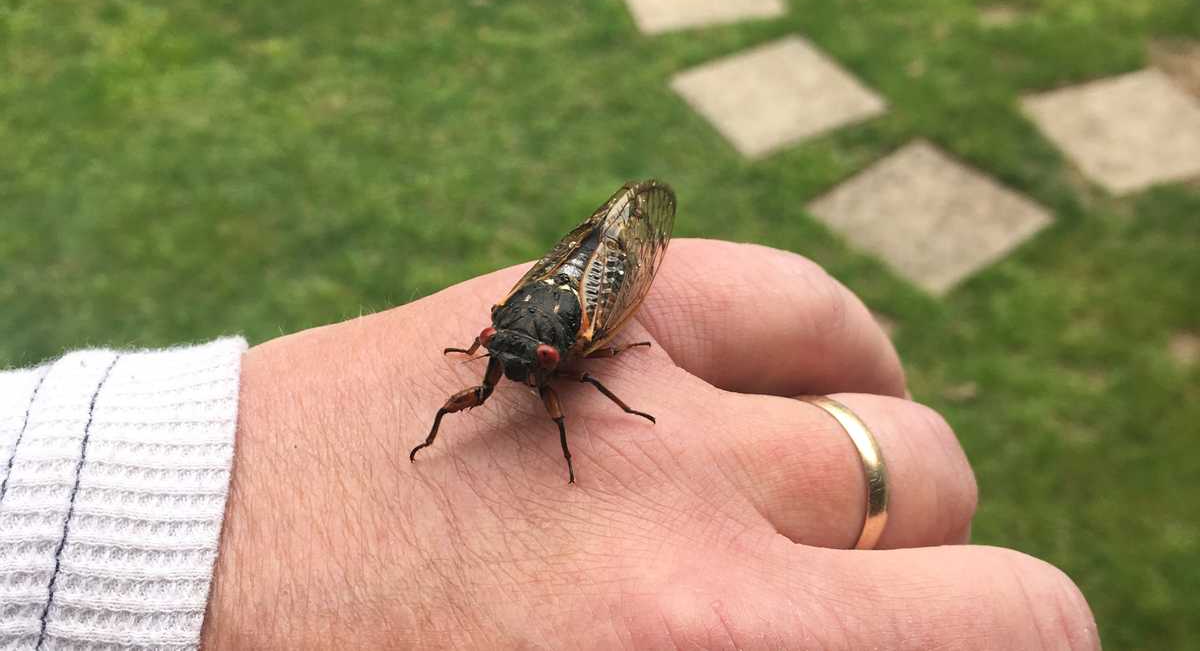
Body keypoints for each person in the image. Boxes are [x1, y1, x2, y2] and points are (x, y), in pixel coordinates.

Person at [0, 240, 1099, 649]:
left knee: (611, 373)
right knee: (484, 396)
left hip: (580, 301)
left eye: (524, 368)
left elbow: (597, 351)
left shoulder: (567, 356)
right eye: (510, 365)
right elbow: (494, 355)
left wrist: (584, 336)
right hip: (547, 300)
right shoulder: (505, 359)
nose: (518, 379)